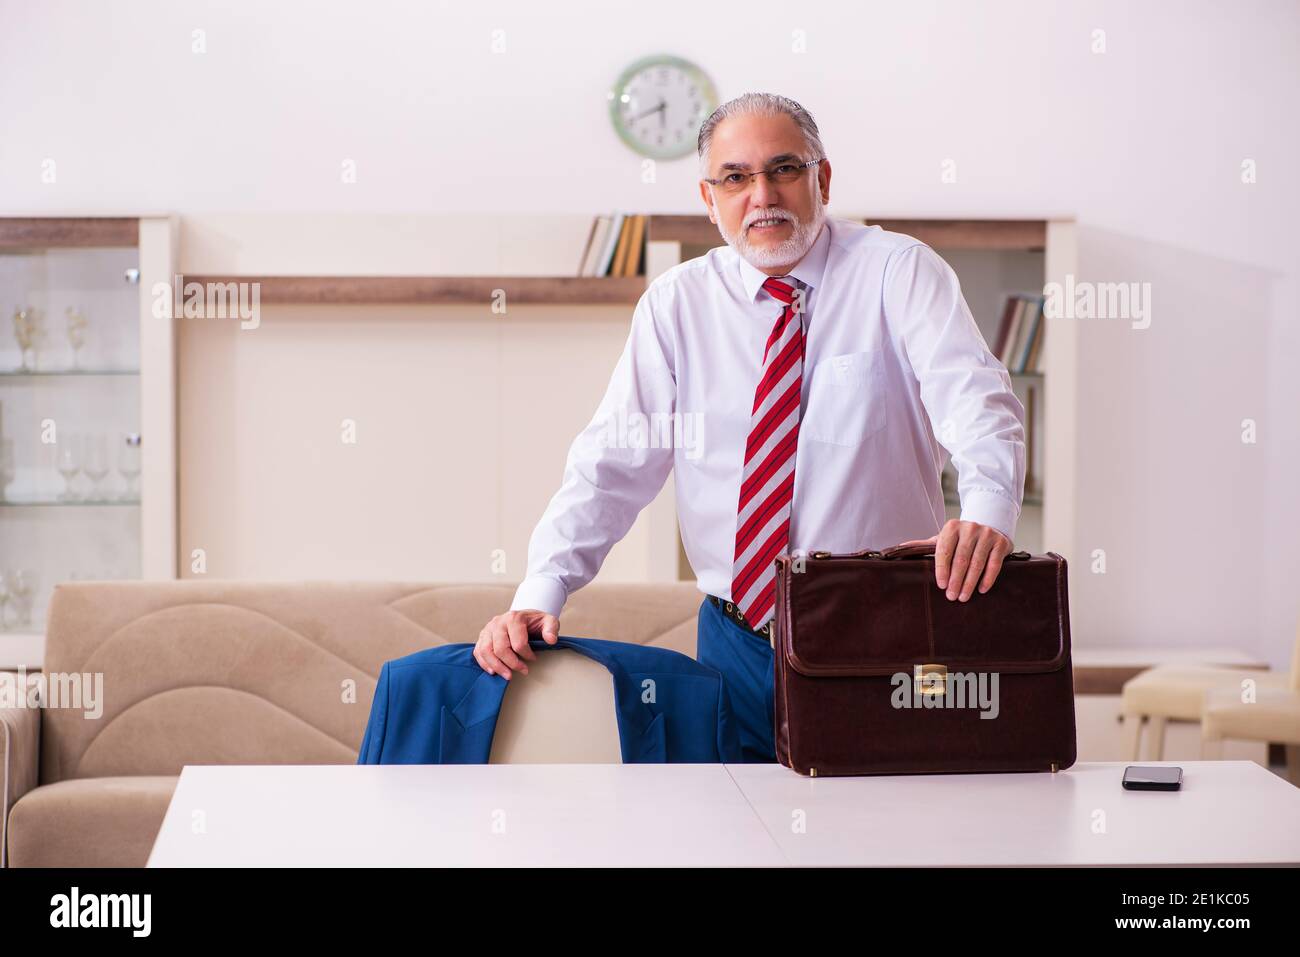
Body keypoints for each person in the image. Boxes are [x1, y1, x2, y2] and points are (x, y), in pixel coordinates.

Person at [475, 92, 1026, 762]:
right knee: (737, 829)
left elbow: (976, 399)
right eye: (735, 177)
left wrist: (989, 510)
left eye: (784, 169)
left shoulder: (897, 272)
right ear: (709, 198)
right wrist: (542, 589)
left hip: (885, 625)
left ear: (822, 179)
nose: (761, 194)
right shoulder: (676, 305)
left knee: (884, 824)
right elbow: (611, 465)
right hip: (735, 638)